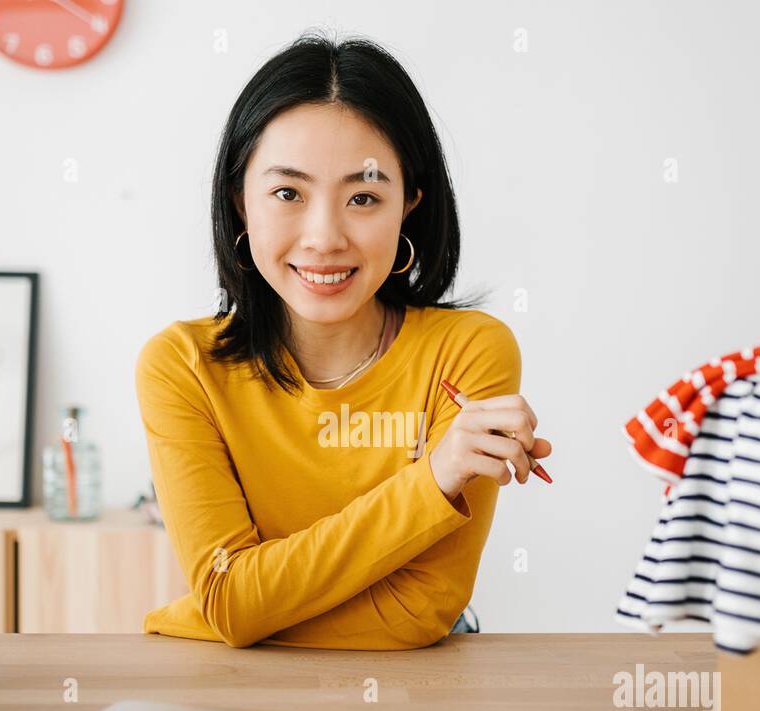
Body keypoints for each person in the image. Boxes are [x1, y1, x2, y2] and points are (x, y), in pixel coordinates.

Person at [135, 31, 551, 650]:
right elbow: (231, 602)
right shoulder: (181, 366)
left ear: (409, 203)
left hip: (416, 699)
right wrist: (432, 480)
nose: (324, 237)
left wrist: (238, 612)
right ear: (239, 201)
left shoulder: (470, 352)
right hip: (237, 696)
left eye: (363, 196)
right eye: (287, 193)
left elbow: (418, 613)